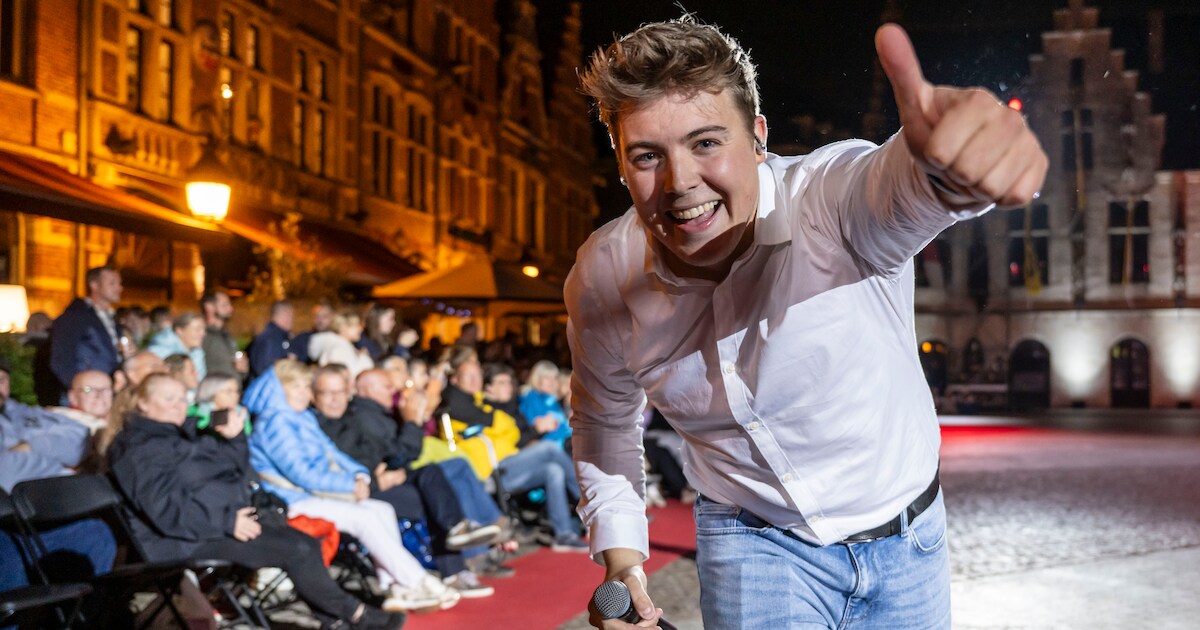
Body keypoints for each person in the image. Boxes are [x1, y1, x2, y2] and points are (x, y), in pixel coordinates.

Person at [570, 17, 1047, 629]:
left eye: (707, 142)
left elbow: (896, 185)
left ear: (759, 137)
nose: (680, 181)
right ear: (619, 163)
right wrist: (624, 563)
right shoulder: (602, 276)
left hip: (909, 536)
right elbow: (604, 421)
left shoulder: (830, 202)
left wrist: (949, 169)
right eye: (646, 156)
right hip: (752, 544)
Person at [107, 373, 405, 630]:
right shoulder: (139, 447)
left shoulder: (180, 436)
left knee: (304, 541)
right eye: (169, 399)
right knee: (297, 548)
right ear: (142, 404)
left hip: (218, 522)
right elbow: (164, 508)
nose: (179, 405)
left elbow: (232, 470)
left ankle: (335, 620)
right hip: (181, 538)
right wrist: (226, 521)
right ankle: (355, 614)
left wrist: (234, 439)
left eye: (181, 398)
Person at [245, 359, 459, 612]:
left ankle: (396, 587)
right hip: (290, 501)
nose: (304, 393)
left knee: (382, 510)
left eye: (306, 387)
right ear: (279, 391)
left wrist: (359, 475)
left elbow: (333, 454)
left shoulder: (299, 418)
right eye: (296, 388)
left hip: (311, 495)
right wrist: (349, 483)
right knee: (363, 518)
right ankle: (417, 580)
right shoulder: (275, 423)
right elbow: (301, 474)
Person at [441, 360, 587, 553]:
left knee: (553, 470)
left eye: (477, 375)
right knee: (549, 448)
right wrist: (506, 427)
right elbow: (508, 431)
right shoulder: (456, 404)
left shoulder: (481, 405)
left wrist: (504, 428)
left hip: (509, 463)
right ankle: (593, 509)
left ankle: (564, 535)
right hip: (489, 469)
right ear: (455, 379)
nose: (474, 380)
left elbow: (512, 431)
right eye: (469, 375)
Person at [48, 266, 126, 398]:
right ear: (94, 285)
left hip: (109, 392)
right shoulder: (75, 317)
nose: (119, 288)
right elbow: (61, 359)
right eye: (112, 283)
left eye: (119, 283)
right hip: (87, 395)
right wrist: (79, 391)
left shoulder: (112, 319)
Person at [518, 360, 571, 450]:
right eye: (547, 377)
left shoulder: (551, 400)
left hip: (559, 445)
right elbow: (545, 430)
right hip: (545, 448)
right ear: (537, 379)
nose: (552, 381)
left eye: (554, 378)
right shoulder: (532, 399)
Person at [308, 311, 375, 379]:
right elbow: (343, 376)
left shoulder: (341, 346)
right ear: (343, 328)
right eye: (356, 325)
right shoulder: (339, 349)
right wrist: (363, 358)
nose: (360, 329)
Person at [147, 311, 208, 381]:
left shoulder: (197, 352)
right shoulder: (159, 352)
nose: (203, 334)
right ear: (179, 331)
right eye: (197, 330)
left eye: (203, 329)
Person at [51, 369, 115, 434]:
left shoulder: (119, 425)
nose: (99, 395)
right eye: (89, 390)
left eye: (106, 389)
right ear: (73, 397)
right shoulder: (61, 425)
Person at [200, 291, 247, 378]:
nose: (231, 309)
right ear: (209, 307)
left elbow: (237, 369)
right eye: (224, 305)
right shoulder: (202, 335)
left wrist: (242, 369)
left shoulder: (226, 335)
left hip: (232, 389)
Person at [248, 300, 295, 379]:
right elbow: (265, 370)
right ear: (286, 315)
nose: (292, 320)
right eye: (291, 316)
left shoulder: (277, 336)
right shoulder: (271, 339)